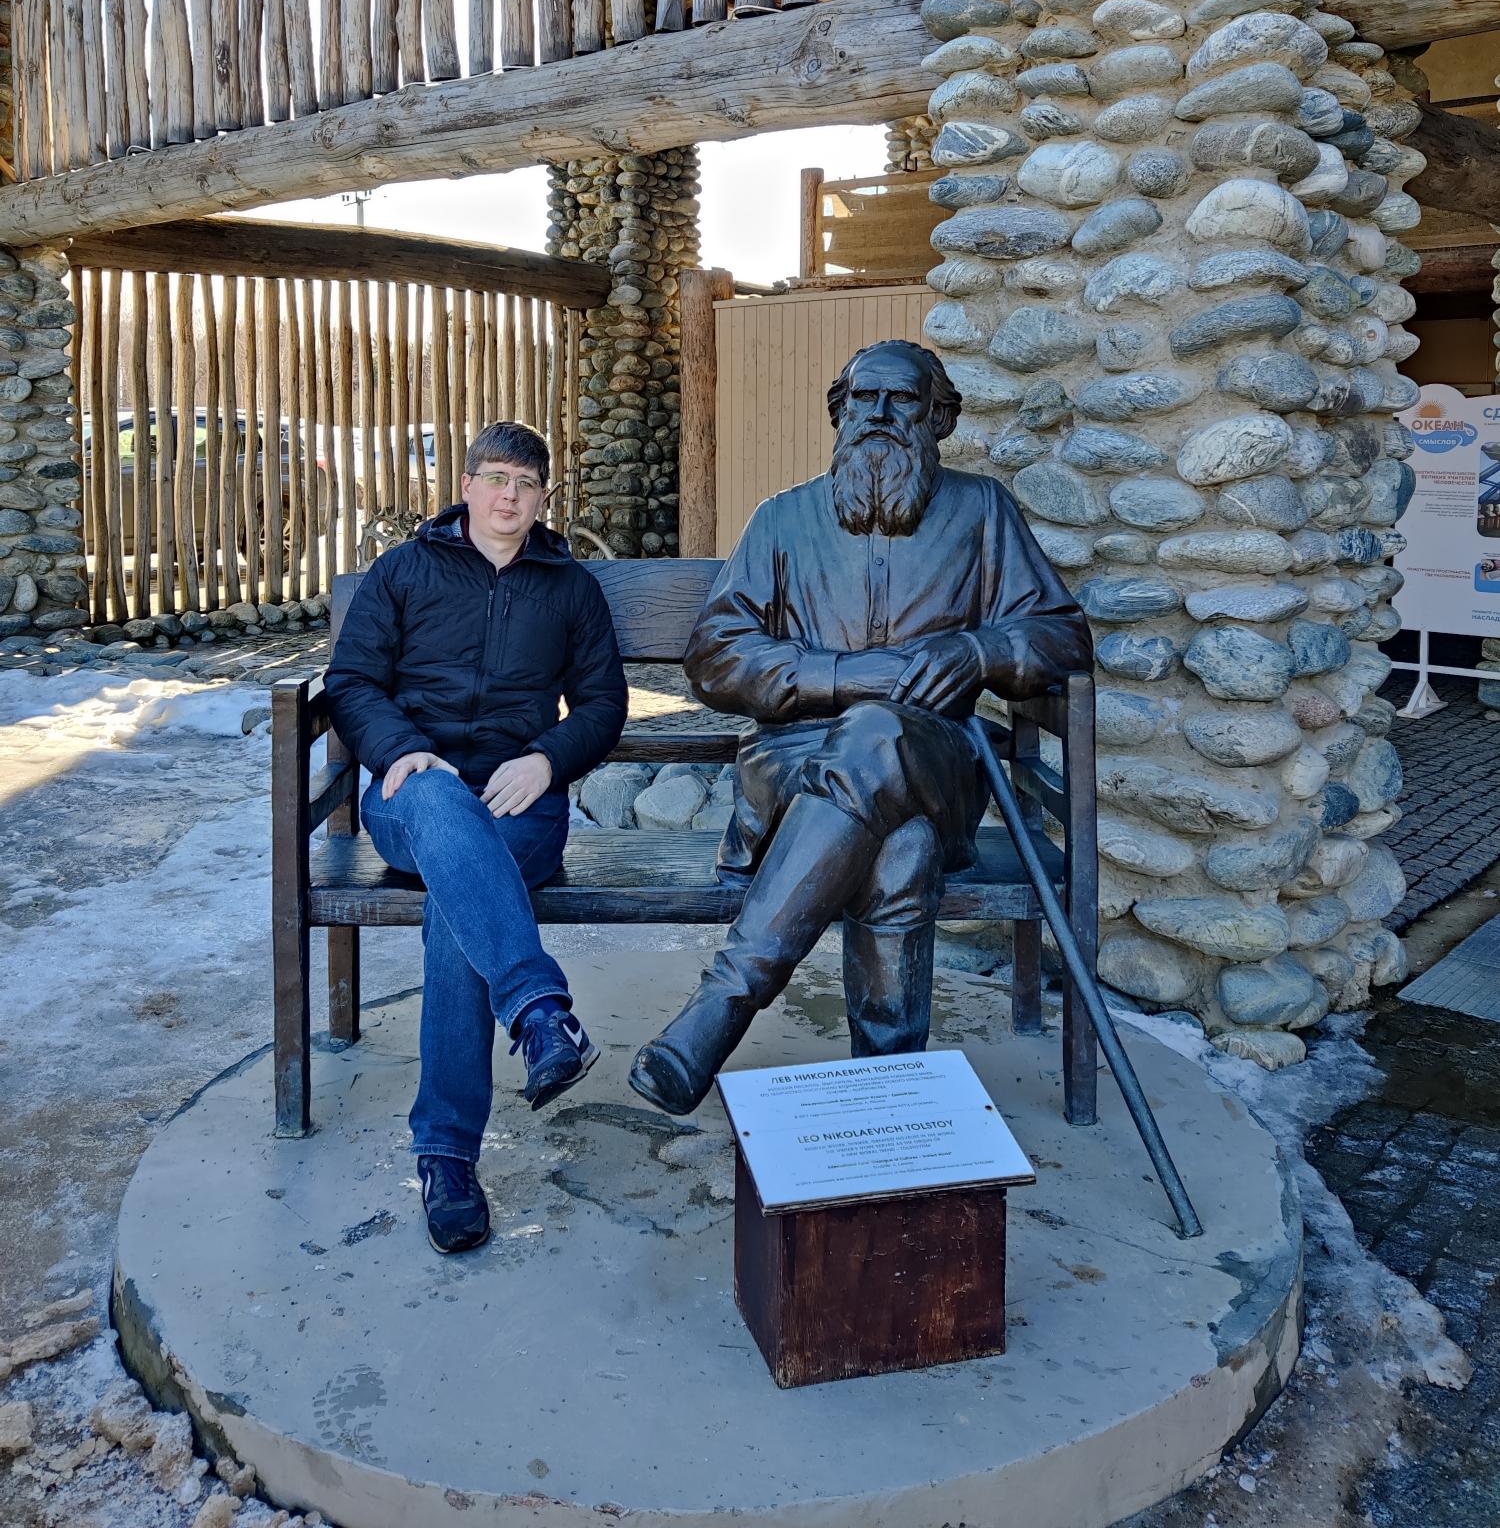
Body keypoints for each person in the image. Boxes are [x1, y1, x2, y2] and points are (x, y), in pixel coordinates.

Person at [628, 340, 1092, 1117]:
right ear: (839, 414)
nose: (878, 414)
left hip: (936, 763)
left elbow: (1063, 637)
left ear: (939, 418)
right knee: (902, 848)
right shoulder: (782, 519)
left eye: (901, 399)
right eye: (862, 399)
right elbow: (715, 656)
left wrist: (977, 650)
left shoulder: (984, 512)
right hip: (791, 763)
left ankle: (722, 1006)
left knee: (879, 735)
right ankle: (888, 1098)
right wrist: (845, 677)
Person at [326, 419, 627, 1253]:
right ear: (466, 486)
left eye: (526, 484)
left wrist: (546, 758)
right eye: (496, 478)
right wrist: (399, 749)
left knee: (456, 907)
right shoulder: (405, 571)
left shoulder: (569, 589)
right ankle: (538, 1009)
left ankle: (446, 1158)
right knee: (438, 804)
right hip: (410, 796)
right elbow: (352, 680)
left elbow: (604, 704)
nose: (509, 496)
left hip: (519, 806)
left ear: (543, 498)